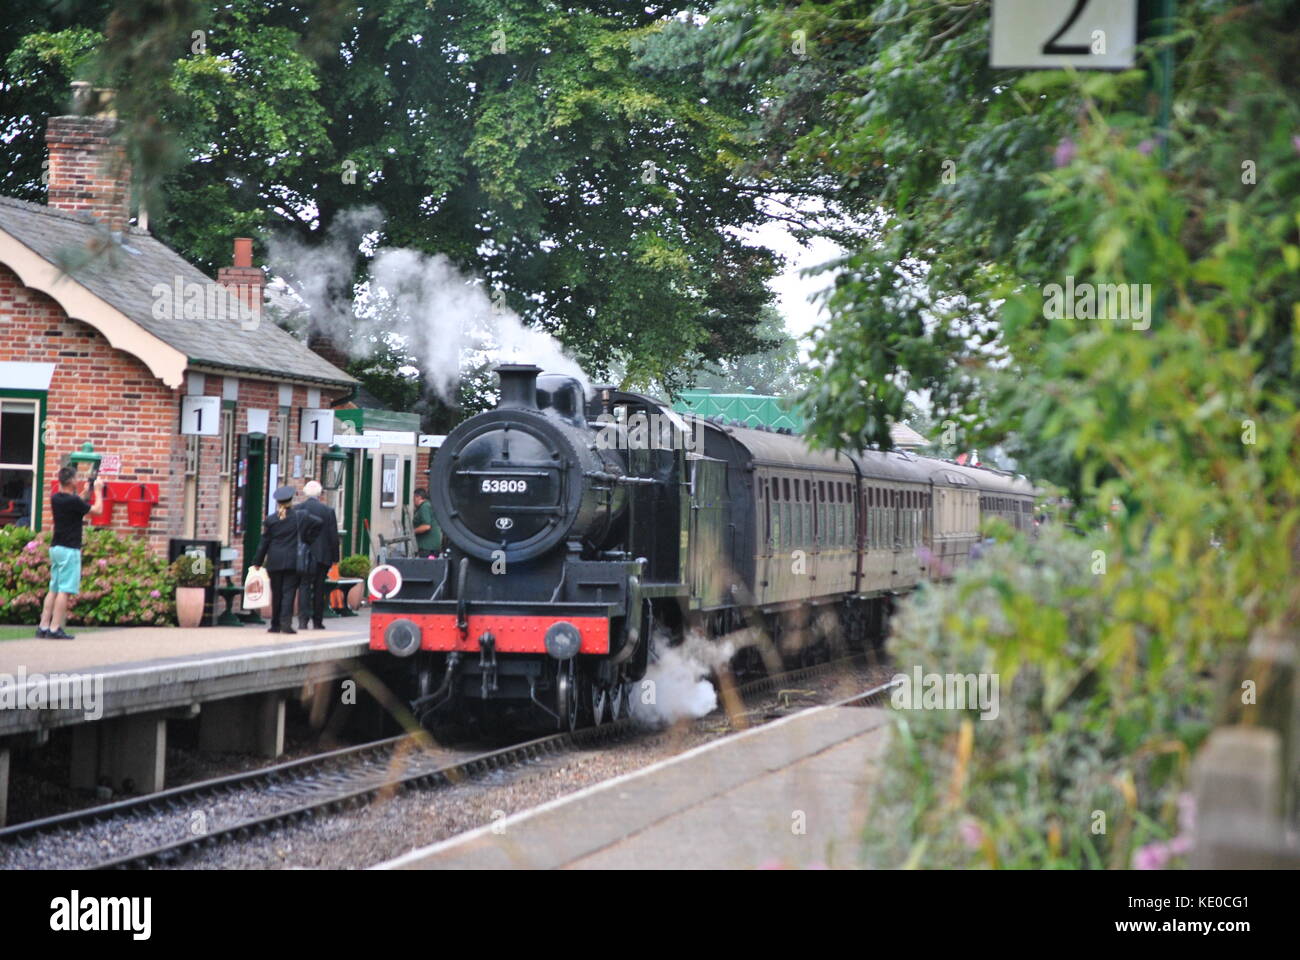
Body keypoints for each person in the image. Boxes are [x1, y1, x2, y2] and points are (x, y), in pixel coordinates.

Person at [38, 467, 105, 639]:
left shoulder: (56, 498)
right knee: (65, 590)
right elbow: (97, 510)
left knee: (53, 588)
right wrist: (98, 491)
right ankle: (55, 628)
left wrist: (84, 494)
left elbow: (76, 504)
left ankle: (43, 626)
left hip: (56, 548)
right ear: (72, 481)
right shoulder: (73, 502)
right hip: (69, 549)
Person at [250, 485, 321, 634]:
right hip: (293, 561)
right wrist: (307, 539)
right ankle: (286, 624)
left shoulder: (271, 520)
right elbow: (319, 523)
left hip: (274, 561)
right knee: (289, 592)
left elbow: (264, 542)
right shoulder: (300, 516)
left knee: (276, 593)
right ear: (291, 500)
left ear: (278, 502)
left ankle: (275, 625)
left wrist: (257, 562)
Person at [296, 479, 340, 630]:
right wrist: (335, 558)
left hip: (302, 556)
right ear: (320, 494)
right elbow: (333, 536)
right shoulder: (328, 511)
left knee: (304, 587)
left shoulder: (297, 509)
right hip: (322, 555)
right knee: (319, 587)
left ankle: (302, 621)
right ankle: (317, 621)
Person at [412, 487, 442, 558]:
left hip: (428, 547)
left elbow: (426, 526)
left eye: (414, 498)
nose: (413, 501)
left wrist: (413, 532)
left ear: (418, 497)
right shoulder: (427, 505)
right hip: (431, 546)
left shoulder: (425, 507)